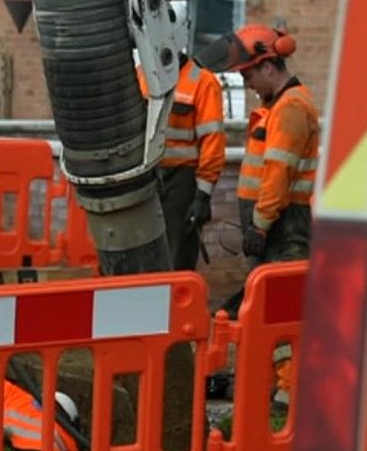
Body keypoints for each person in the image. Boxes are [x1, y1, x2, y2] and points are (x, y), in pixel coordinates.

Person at [195, 24, 320, 406]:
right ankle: (274, 388)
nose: (246, 82)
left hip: (281, 227)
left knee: (281, 309)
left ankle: (289, 393)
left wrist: (261, 227)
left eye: (248, 73)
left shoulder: (291, 109)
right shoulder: (277, 108)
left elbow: (278, 175)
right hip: (273, 225)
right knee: (269, 308)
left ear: (269, 65)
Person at [136, 20, 226, 271]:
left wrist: (202, 195)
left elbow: (213, 141)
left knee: (177, 254)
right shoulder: (141, 75)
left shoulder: (202, 82)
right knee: (143, 252)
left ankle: (174, 305)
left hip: (181, 183)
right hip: (145, 178)